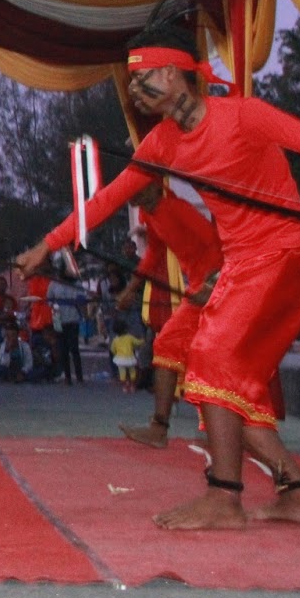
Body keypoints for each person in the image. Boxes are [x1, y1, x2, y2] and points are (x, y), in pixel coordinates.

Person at [16, 17, 300, 530]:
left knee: (212, 358)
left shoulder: (242, 115)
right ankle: (299, 494)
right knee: (222, 379)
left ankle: (224, 497)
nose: (135, 89)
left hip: (283, 255)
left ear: (173, 75)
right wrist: (47, 244)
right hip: (240, 265)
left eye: (141, 77)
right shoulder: (162, 144)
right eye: (131, 81)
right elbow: (105, 199)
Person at [116, 182, 223, 448]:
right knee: (166, 345)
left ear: (155, 188)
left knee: (207, 357)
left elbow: (215, 242)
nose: (137, 195)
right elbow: (154, 253)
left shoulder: (175, 208)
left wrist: (212, 284)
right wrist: (130, 289)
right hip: (200, 286)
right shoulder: (152, 217)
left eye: (142, 188)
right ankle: (160, 428)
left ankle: (224, 434)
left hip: (217, 286)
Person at [109, 320, 142, 392]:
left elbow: (112, 349)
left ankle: (124, 387)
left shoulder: (115, 340)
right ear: (126, 329)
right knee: (132, 372)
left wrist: (116, 353)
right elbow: (137, 343)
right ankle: (132, 386)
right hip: (130, 358)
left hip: (120, 359)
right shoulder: (129, 337)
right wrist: (143, 341)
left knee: (122, 374)